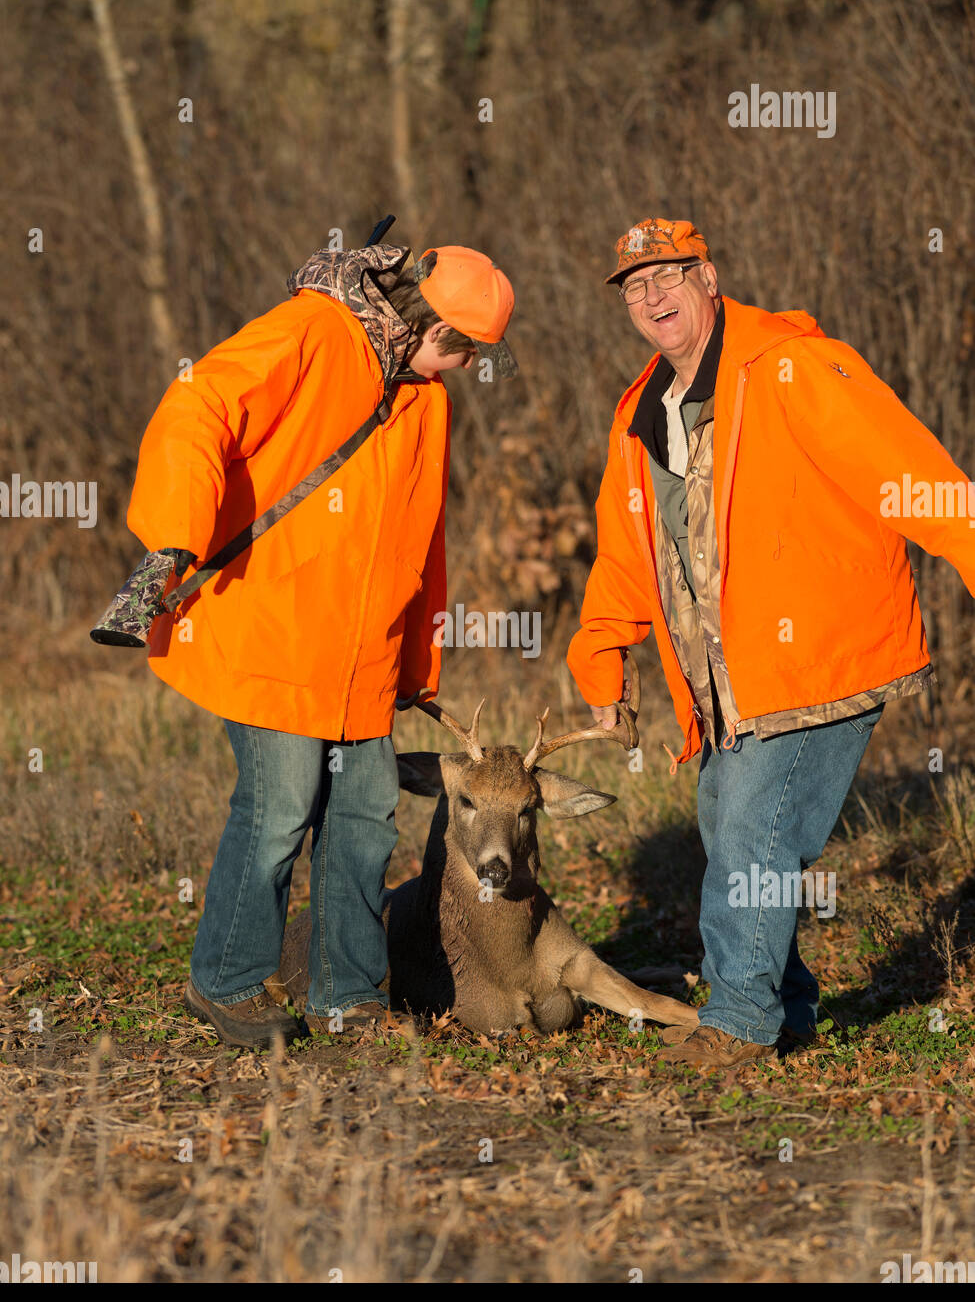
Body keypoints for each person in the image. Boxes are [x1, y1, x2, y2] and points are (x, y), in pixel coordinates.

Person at [567, 215, 974, 1070]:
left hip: (817, 656)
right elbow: (626, 549)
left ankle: (741, 1024)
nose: (651, 295)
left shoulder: (790, 365)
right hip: (726, 680)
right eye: (634, 286)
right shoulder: (640, 412)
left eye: (667, 275)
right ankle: (783, 1011)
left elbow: (908, 471)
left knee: (752, 830)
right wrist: (602, 655)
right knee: (727, 825)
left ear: (708, 278)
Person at [126, 239, 516, 1048]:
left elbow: (421, 541)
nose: (456, 368)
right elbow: (197, 404)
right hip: (266, 627)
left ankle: (348, 997)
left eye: (472, 354)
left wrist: (414, 663)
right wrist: (173, 537)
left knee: (367, 815)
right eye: (454, 345)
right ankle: (226, 983)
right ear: (415, 317)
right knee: (278, 810)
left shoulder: (425, 399)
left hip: (359, 656)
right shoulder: (312, 332)